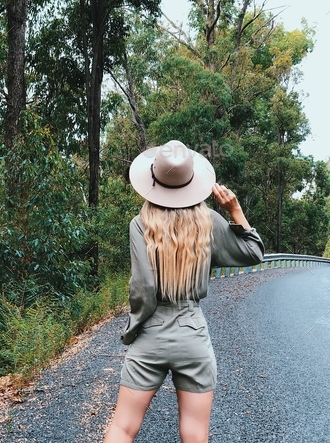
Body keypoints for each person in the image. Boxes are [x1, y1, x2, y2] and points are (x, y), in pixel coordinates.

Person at [103, 140, 264, 443]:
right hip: (192, 334)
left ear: (153, 181)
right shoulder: (208, 223)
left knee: (123, 428)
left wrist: (134, 327)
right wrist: (235, 209)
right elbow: (253, 253)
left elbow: (144, 287)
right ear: (193, 182)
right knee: (194, 432)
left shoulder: (140, 225)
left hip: (150, 334)